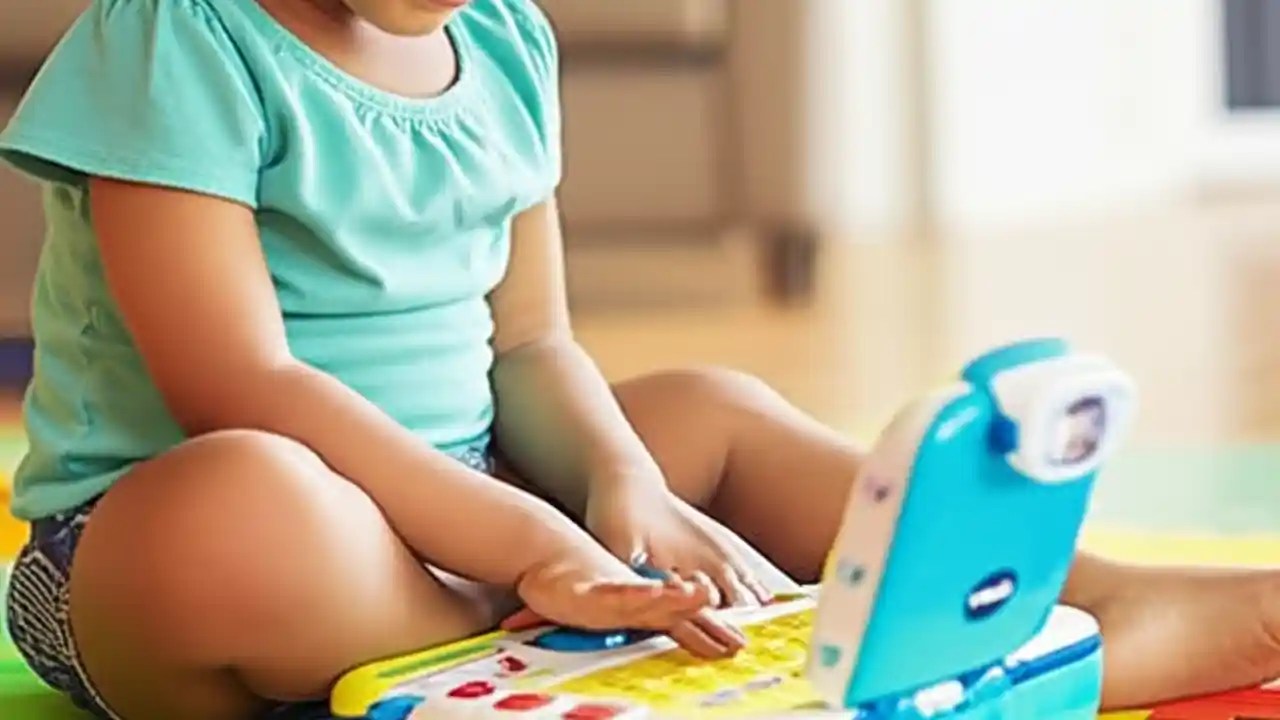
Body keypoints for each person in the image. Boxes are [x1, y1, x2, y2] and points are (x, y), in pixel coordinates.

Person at [1, 1, 1278, 718]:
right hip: (163, 552)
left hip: (465, 506)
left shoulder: (501, 39)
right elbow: (244, 386)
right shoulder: (179, 38)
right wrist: (533, 551)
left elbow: (535, 343)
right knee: (236, 509)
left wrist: (620, 490)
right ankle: (562, 644)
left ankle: (1074, 596)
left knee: (702, 415)